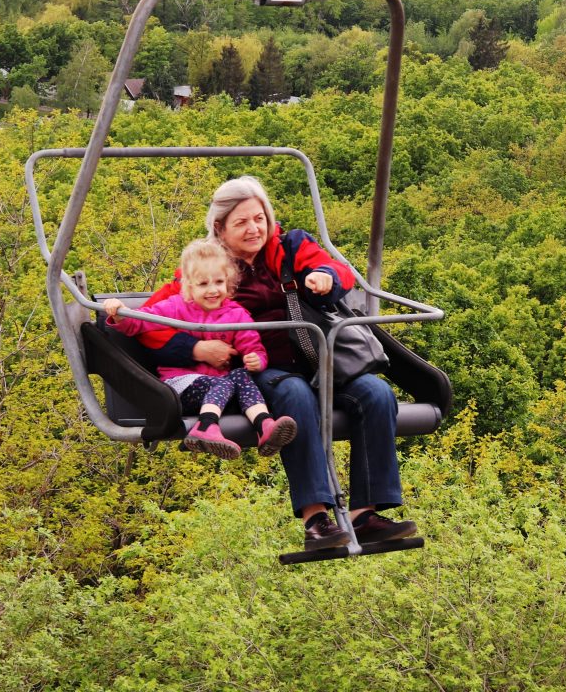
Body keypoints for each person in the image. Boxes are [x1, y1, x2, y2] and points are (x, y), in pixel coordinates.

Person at [136, 177, 418, 553]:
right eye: (241, 223)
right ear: (220, 228)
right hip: (259, 368)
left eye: (259, 218)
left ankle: (364, 515)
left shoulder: (290, 247)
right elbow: (153, 318)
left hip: (320, 359)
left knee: (377, 393)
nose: (254, 229)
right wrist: (197, 349)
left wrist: (325, 279)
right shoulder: (209, 266)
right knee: (294, 394)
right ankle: (316, 518)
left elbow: (337, 272)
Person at [104, 239, 297, 460]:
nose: (213, 290)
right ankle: (205, 427)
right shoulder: (174, 307)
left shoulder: (236, 313)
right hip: (181, 386)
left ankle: (265, 426)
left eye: (219, 282)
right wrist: (119, 313)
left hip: (219, 392)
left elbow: (252, 344)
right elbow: (138, 323)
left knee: (241, 375)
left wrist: (257, 360)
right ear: (189, 285)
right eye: (203, 284)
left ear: (229, 282)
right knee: (222, 382)